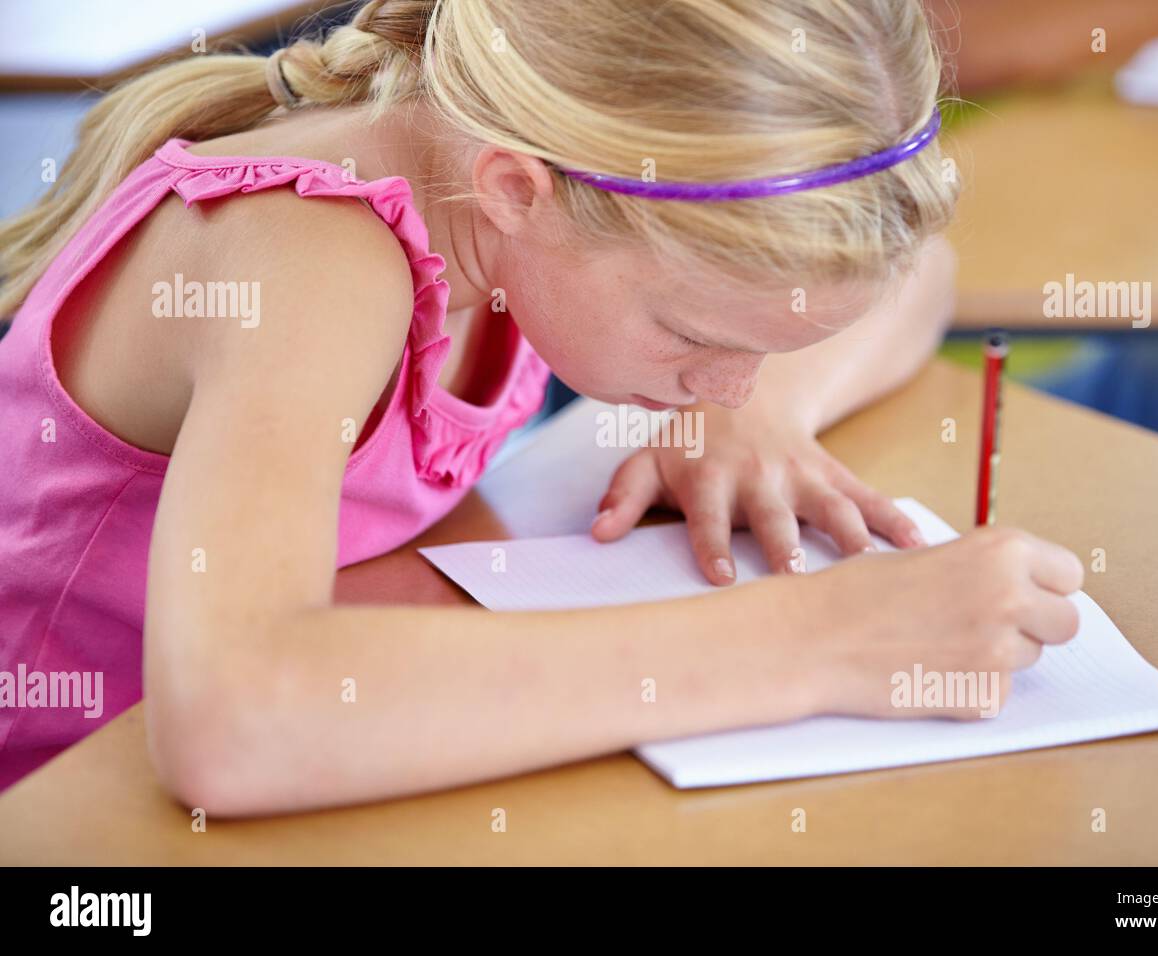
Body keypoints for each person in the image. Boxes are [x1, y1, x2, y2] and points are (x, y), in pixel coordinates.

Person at [0, 0, 1081, 812]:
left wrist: (744, 413)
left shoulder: (517, 207)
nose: (730, 374)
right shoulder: (305, 260)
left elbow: (915, 280)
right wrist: (828, 635)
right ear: (518, 188)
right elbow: (232, 720)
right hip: (64, 809)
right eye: (701, 339)